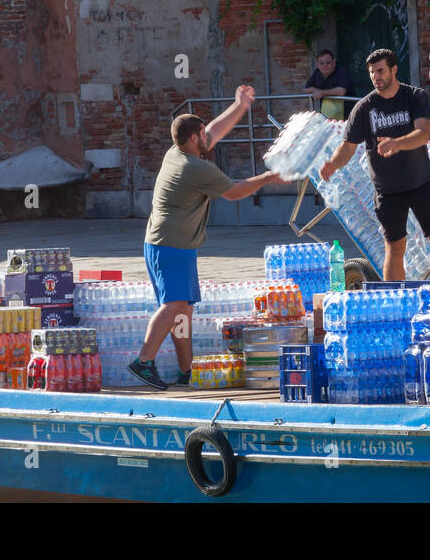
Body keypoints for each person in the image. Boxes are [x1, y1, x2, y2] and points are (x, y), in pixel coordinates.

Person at [128, 85, 279, 390]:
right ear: (194, 138)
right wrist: (269, 177)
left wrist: (239, 106)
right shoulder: (195, 168)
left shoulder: (176, 151)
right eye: (202, 134)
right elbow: (235, 192)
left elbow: (212, 130)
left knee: (182, 310)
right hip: (171, 246)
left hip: (166, 244)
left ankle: (186, 370)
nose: (208, 138)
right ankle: (143, 361)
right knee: (173, 305)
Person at [318, 48, 430, 280]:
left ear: (393, 69)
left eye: (380, 71)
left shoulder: (415, 97)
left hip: (421, 183)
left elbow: (423, 133)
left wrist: (398, 144)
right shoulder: (364, 108)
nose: (376, 77)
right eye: (372, 72)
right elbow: (348, 146)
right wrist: (333, 163)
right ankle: (395, 301)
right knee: (395, 247)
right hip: (388, 191)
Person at [304, 49, 353, 120]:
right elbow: (307, 89)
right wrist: (318, 91)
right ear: (317, 64)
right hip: (327, 117)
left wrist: (321, 93)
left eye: (328, 62)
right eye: (321, 63)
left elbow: (341, 91)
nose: (325, 65)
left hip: (346, 116)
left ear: (334, 62)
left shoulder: (341, 71)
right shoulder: (317, 72)